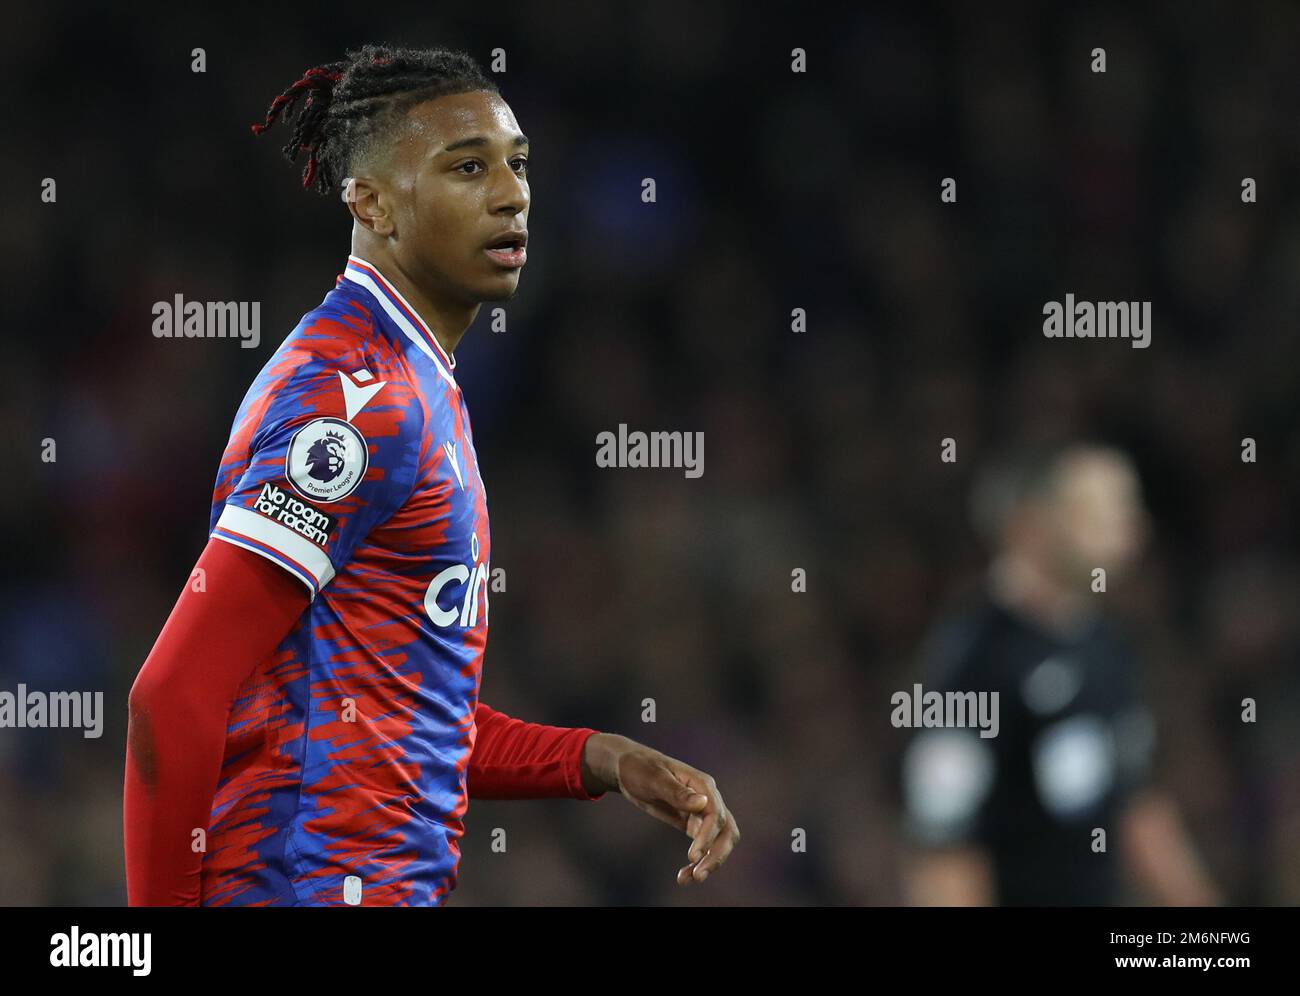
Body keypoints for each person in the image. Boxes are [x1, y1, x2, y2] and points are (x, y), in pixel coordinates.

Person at [123, 44, 738, 906]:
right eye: (467, 167)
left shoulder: (416, 384)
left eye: (517, 165)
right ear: (371, 202)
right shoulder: (358, 400)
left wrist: (599, 759)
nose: (511, 192)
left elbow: (394, 716)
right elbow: (172, 694)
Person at [901, 441, 1219, 905]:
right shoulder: (973, 661)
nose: (1131, 526)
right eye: (1100, 510)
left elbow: (1135, 807)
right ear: (1030, 524)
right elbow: (943, 849)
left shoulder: (1105, 645)